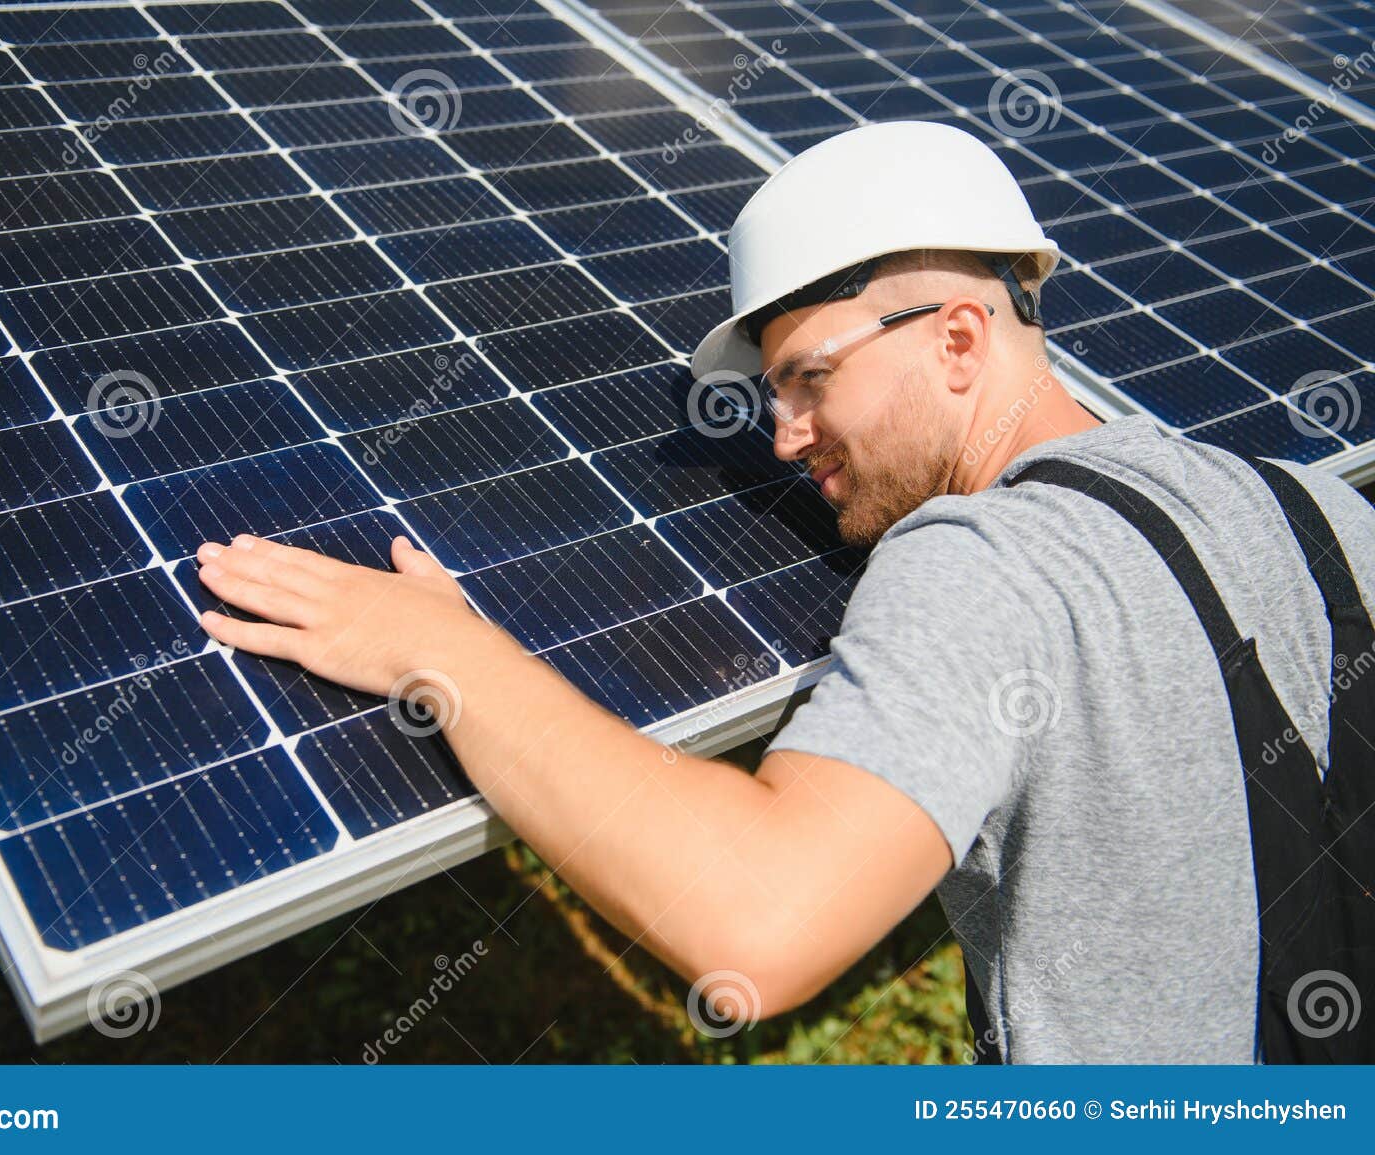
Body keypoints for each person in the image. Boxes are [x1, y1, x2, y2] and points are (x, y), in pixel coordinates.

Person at [195, 120, 1375, 1063]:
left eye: (809, 378)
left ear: (959, 341)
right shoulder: (1314, 507)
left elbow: (753, 925)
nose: (781, 437)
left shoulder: (988, 565)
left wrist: (438, 653)